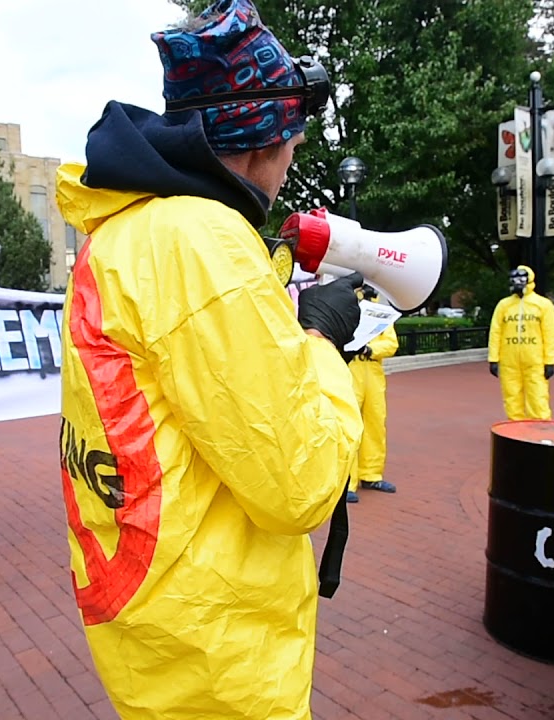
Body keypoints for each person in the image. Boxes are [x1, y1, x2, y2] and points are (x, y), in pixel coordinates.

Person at [54, 1, 363, 717]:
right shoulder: (206, 244)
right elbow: (301, 484)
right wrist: (320, 342)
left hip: (155, 614)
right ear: (264, 141)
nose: (291, 165)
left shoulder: (127, 227)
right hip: (219, 649)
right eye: (292, 142)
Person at [346, 285, 399, 503]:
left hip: (373, 369)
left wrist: (371, 350)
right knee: (351, 424)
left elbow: (391, 343)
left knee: (375, 422)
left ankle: (371, 474)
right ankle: (348, 481)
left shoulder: (382, 313)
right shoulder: (349, 310)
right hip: (352, 369)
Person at [488, 265, 554, 420]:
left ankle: (540, 430)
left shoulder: (542, 305)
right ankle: (516, 430)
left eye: (521, 279)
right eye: (514, 280)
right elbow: (496, 332)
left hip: (535, 361)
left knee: (537, 397)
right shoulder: (504, 305)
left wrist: (550, 361)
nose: (517, 283)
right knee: (511, 397)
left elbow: (550, 334)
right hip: (509, 361)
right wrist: (493, 358)